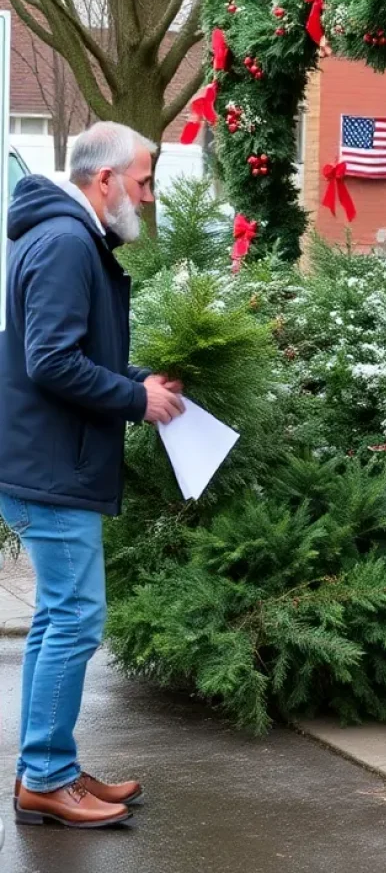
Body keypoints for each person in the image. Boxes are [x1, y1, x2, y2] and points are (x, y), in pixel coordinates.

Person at [0, 122, 185, 829]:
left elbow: (67, 350)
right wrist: (136, 399)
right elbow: (50, 361)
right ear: (103, 179)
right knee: (75, 619)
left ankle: (50, 766)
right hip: (52, 463)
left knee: (59, 618)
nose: (147, 195)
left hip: (48, 456)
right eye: (142, 181)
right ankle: (46, 778)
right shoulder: (66, 241)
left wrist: (140, 381)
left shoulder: (63, 236)